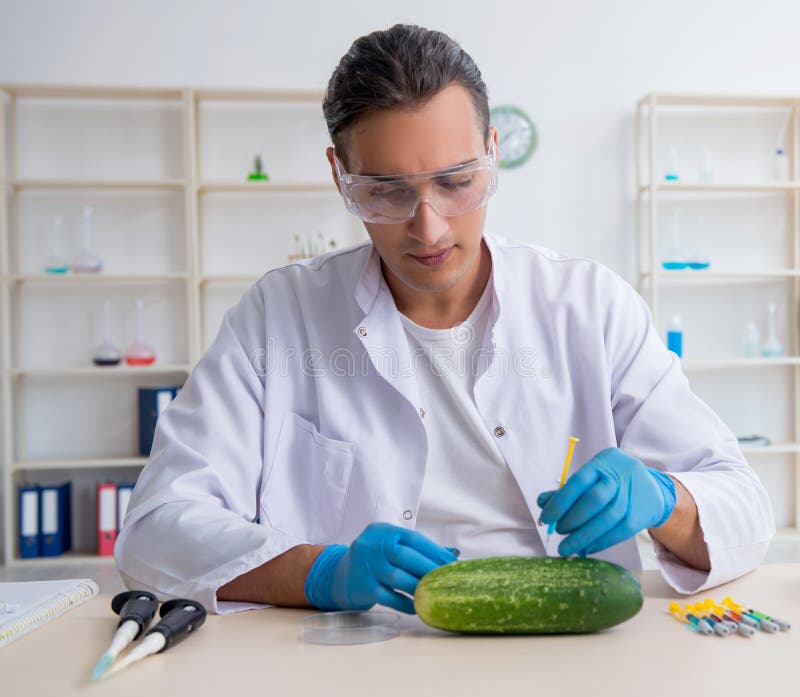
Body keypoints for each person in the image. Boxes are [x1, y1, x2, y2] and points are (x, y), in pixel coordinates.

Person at [115, 24, 775, 615]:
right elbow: (155, 529)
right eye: (387, 191)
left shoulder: (589, 306)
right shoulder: (278, 317)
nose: (427, 226)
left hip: (573, 649)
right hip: (352, 661)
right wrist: (321, 570)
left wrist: (664, 498)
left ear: (492, 152)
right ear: (339, 175)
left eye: (456, 181)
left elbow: (746, 508)